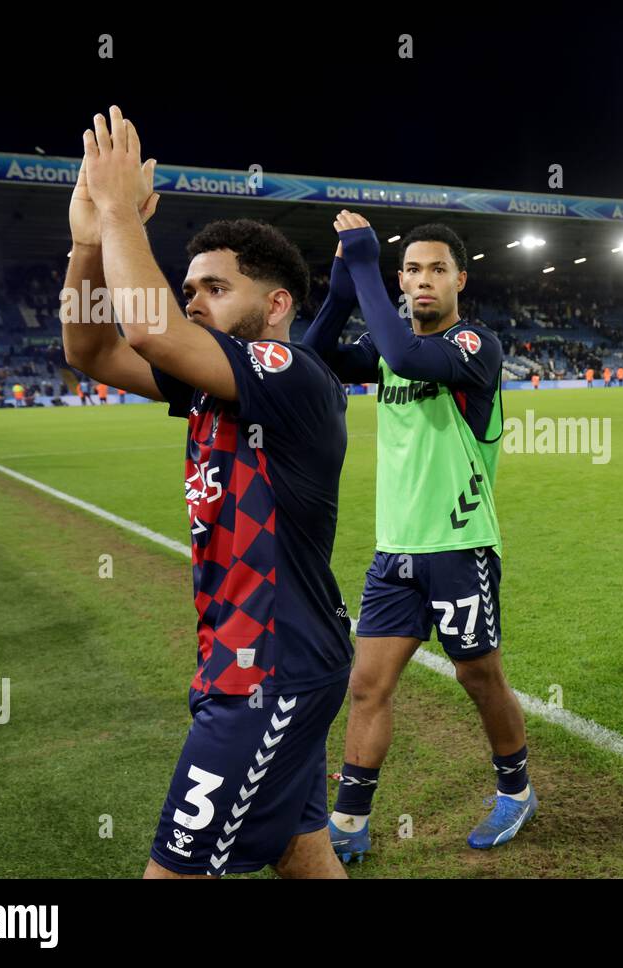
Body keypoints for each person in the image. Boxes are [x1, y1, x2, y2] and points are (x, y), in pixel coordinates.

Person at [63, 106, 352, 879]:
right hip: (254, 658)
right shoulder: (210, 383)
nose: (192, 301)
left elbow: (151, 331)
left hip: (270, 671)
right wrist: (88, 242)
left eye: (213, 288)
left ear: (278, 303)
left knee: (176, 871)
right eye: (187, 288)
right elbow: (90, 347)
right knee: (301, 847)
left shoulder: (289, 373)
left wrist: (120, 210)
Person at [301, 213, 535, 862]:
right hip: (395, 552)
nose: (422, 280)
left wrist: (368, 261)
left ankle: (516, 792)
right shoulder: (387, 350)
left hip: (461, 547)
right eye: (410, 269)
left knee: (478, 675)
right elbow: (312, 358)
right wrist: (344, 292)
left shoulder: (474, 346)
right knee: (368, 686)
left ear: (461, 278)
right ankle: (349, 822)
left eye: (436, 269)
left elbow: (408, 355)